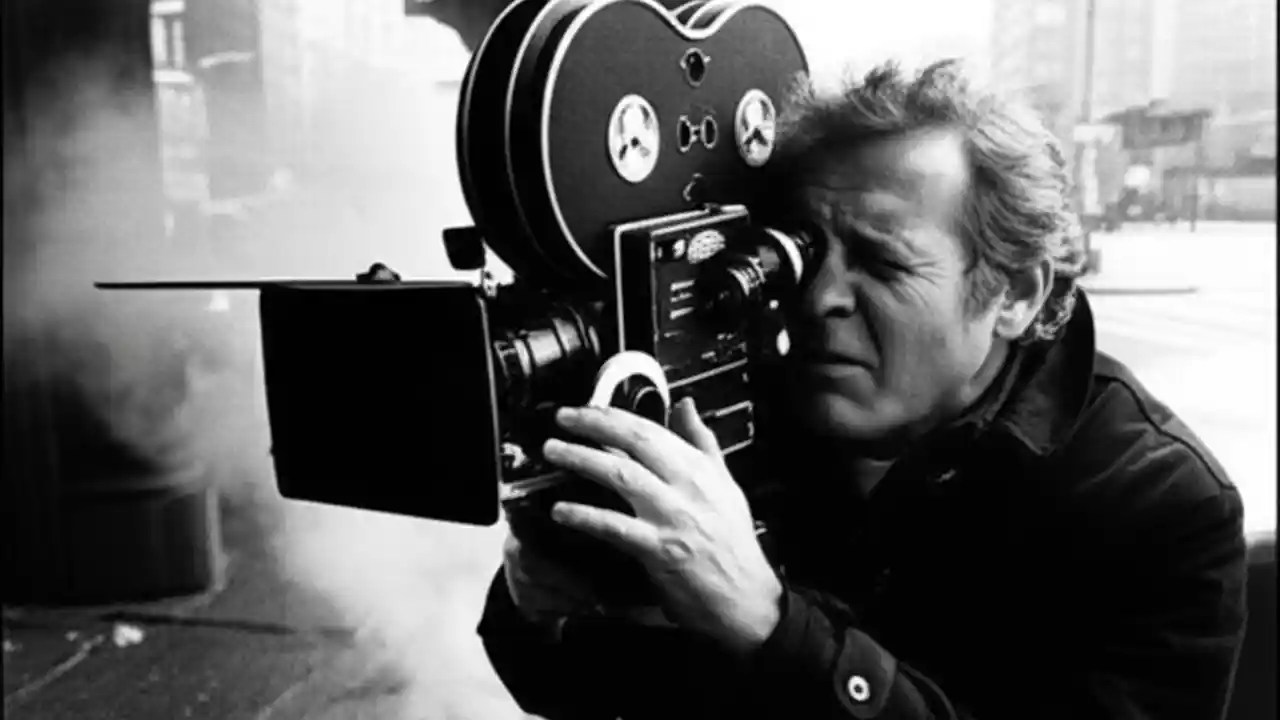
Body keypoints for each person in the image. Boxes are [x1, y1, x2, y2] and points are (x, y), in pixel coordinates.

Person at [476, 60, 1248, 719]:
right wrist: (540, 607)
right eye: (802, 256)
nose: (818, 302)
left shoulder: (1158, 503)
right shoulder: (740, 414)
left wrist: (771, 625)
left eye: (882, 263)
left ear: (1013, 293)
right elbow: (581, 689)